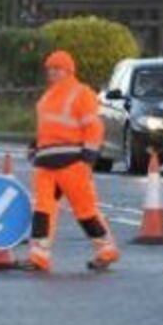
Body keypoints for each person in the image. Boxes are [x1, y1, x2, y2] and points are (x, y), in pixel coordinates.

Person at [27, 50, 120, 272]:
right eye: (49, 69)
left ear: (69, 70)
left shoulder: (81, 93)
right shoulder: (48, 96)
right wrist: (35, 145)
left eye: (56, 69)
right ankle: (39, 257)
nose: (52, 73)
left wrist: (88, 157)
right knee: (42, 210)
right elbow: (47, 128)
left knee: (85, 210)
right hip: (46, 163)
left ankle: (106, 251)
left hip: (72, 163)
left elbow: (93, 126)